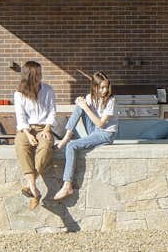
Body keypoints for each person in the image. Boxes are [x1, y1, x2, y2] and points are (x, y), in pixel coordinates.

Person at [52, 71, 116, 201]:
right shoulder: (90, 97)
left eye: (106, 87)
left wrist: (85, 107)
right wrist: (81, 103)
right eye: (101, 87)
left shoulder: (111, 100)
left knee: (72, 146)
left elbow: (100, 124)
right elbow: (83, 110)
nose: (105, 90)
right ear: (94, 87)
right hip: (94, 130)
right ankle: (66, 137)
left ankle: (67, 184)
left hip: (106, 134)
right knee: (80, 104)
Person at [13, 59, 56, 208]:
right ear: (29, 75)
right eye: (37, 73)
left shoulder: (48, 90)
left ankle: (31, 187)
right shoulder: (19, 94)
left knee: (45, 146)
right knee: (20, 144)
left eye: (40, 72)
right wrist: (28, 133)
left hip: (44, 127)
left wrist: (46, 129)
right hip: (27, 128)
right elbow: (21, 116)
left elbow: (52, 111)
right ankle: (34, 189)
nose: (40, 75)